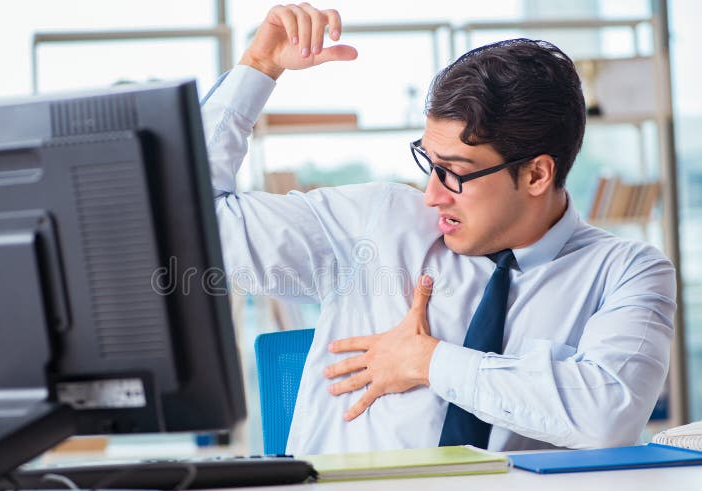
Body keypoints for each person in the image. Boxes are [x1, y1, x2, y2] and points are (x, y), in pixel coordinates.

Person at [201, 3, 676, 454]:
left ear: (536, 175)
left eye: (455, 172)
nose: (432, 194)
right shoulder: (378, 222)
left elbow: (609, 414)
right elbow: (200, 227)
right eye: (428, 162)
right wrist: (257, 67)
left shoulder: (626, 272)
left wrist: (430, 362)